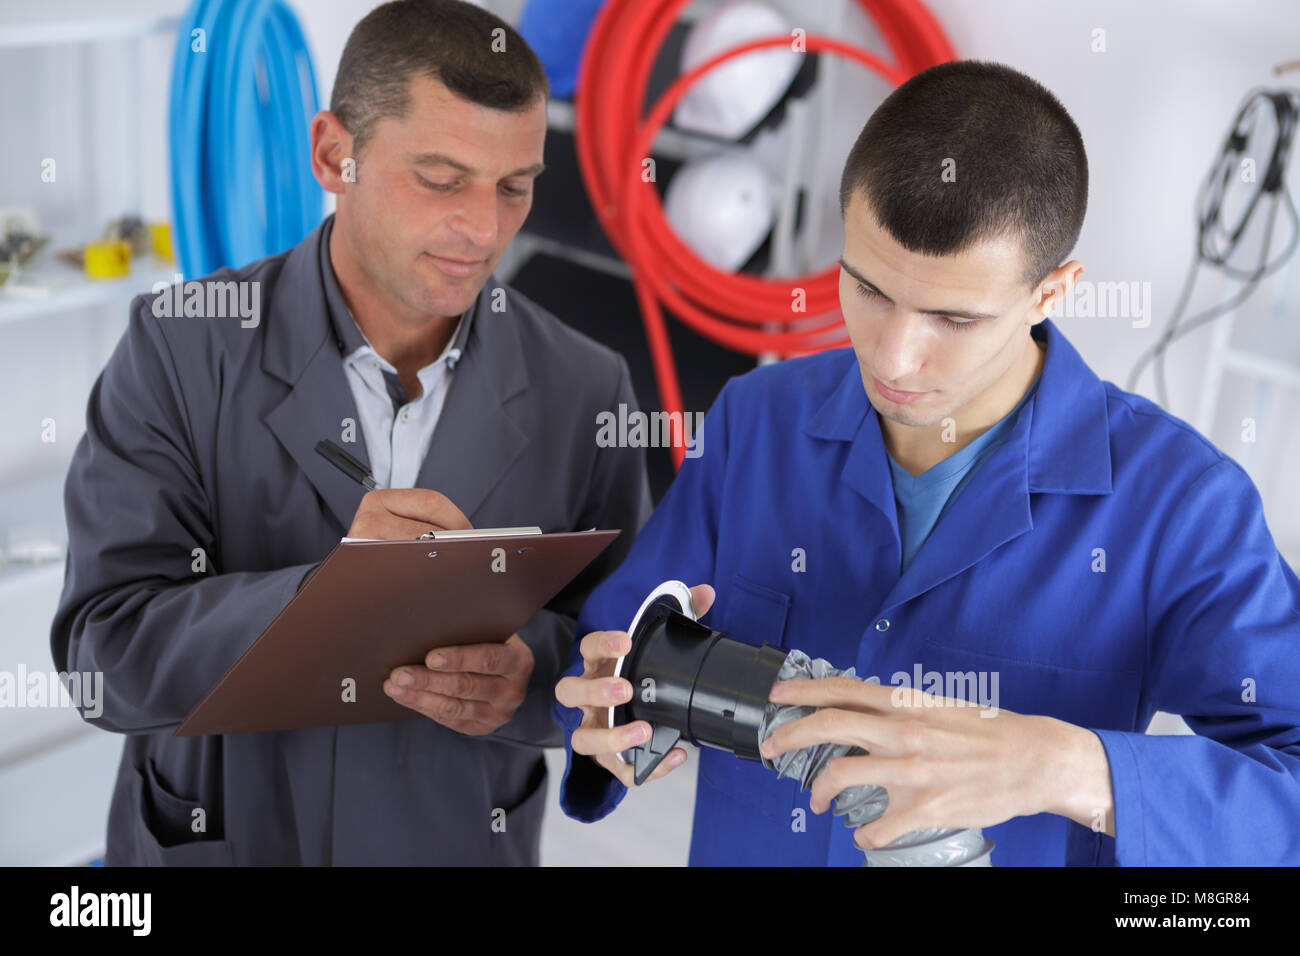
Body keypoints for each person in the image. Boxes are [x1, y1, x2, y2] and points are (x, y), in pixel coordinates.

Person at [553, 60, 1300, 865]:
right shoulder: (757, 420)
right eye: (869, 290)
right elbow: (615, 647)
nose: (894, 359)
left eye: (952, 317)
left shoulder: (1182, 507)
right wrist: (602, 711)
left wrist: (1070, 767)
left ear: (1052, 292)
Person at [50, 0, 650, 865]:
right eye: (441, 179)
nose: (483, 230)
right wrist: (319, 602)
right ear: (336, 154)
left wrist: (531, 682)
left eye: (514, 186)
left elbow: (614, 654)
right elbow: (99, 657)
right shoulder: (180, 347)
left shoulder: (587, 387)